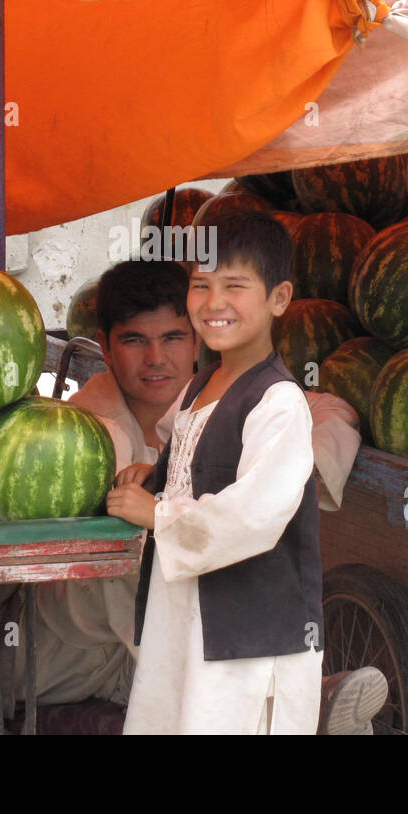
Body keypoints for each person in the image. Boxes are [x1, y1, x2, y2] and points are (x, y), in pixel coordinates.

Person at [10, 256, 385, 734]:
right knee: (146, 549)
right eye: (134, 341)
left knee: (235, 544)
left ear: (197, 341)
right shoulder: (89, 428)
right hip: (70, 656)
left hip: (166, 650)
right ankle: (295, 703)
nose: (155, 359)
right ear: (104, 348)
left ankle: (283, 696)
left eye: (172, 338)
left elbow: (330, 408)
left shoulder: (219, 396)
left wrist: (272, 475)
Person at [107, 212, 345, 734]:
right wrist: (157, 475)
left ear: (279, 298)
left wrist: (158, 514)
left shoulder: (280, 402)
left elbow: (254, 515)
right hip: (191, 623)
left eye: (235, 286)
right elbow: (199, 465)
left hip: (249, 640)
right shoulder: (201, 385)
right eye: (201, 285)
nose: (213, 303)